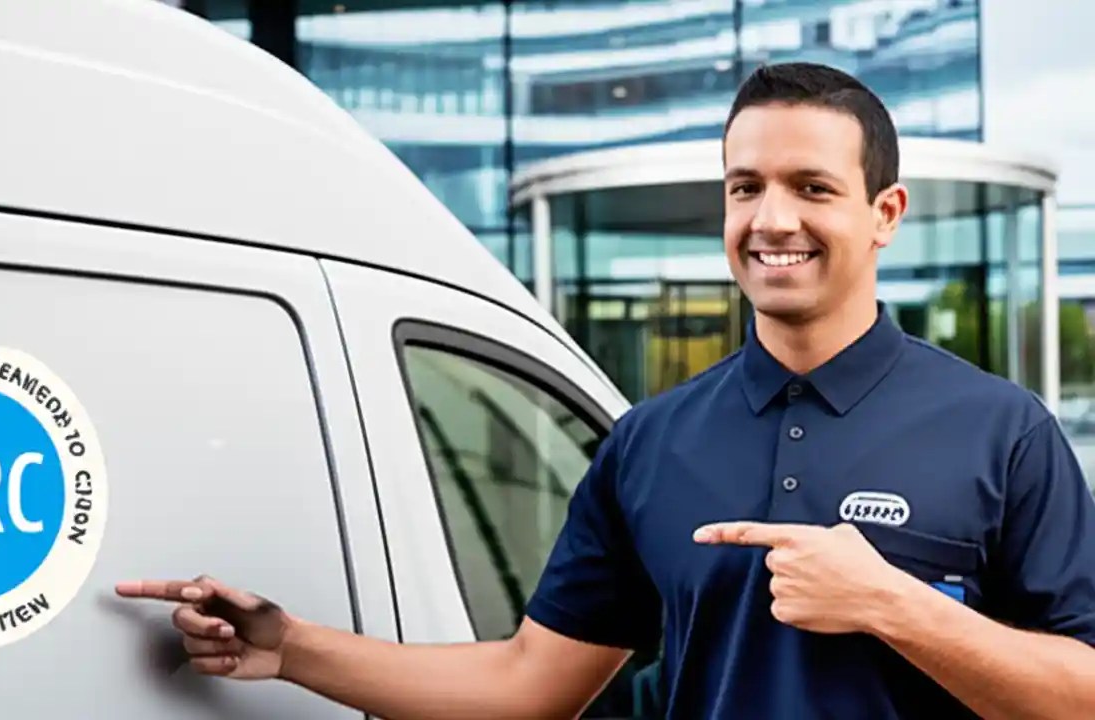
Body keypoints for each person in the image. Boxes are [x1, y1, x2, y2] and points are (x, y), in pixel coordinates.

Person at [116, 62, 1095, 719]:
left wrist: (889, 602)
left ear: (883, 214)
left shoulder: (999, 431)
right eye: (743, 186)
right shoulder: (649, 443)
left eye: (810, 186)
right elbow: (528, 684)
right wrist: (288, 649)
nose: (769, 218)